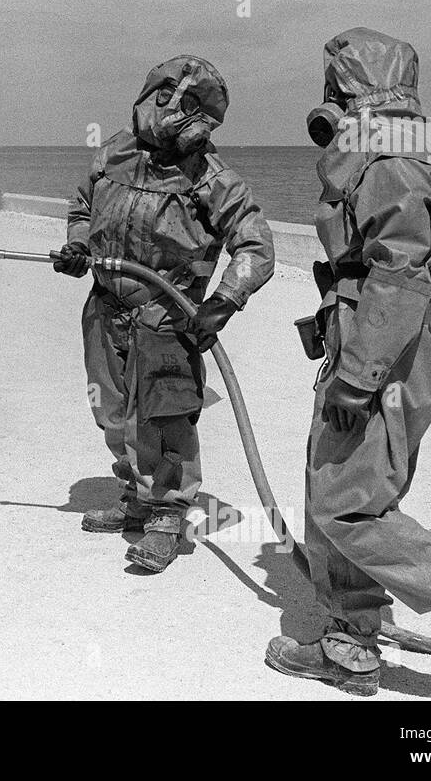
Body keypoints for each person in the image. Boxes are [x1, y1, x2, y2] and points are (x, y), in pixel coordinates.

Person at [264, 27, 431, 699]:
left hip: (390, 338)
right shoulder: (401, 145)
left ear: (347, 88)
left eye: (332, 86)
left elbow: (397, 274)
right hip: (379, 332)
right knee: (336, 484)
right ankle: (349, 643)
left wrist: (360, 371)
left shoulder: (387, 157)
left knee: (348, 505)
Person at [57, 55, 274, 573]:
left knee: (164, 421)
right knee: (112, 411)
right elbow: (82, 207)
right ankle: (134, 497)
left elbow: (255, 246)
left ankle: (167, 519)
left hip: (167, 314)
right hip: (106, 308)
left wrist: (223, 301)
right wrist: (77, 246)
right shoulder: (114, 152)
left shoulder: (213, 177)